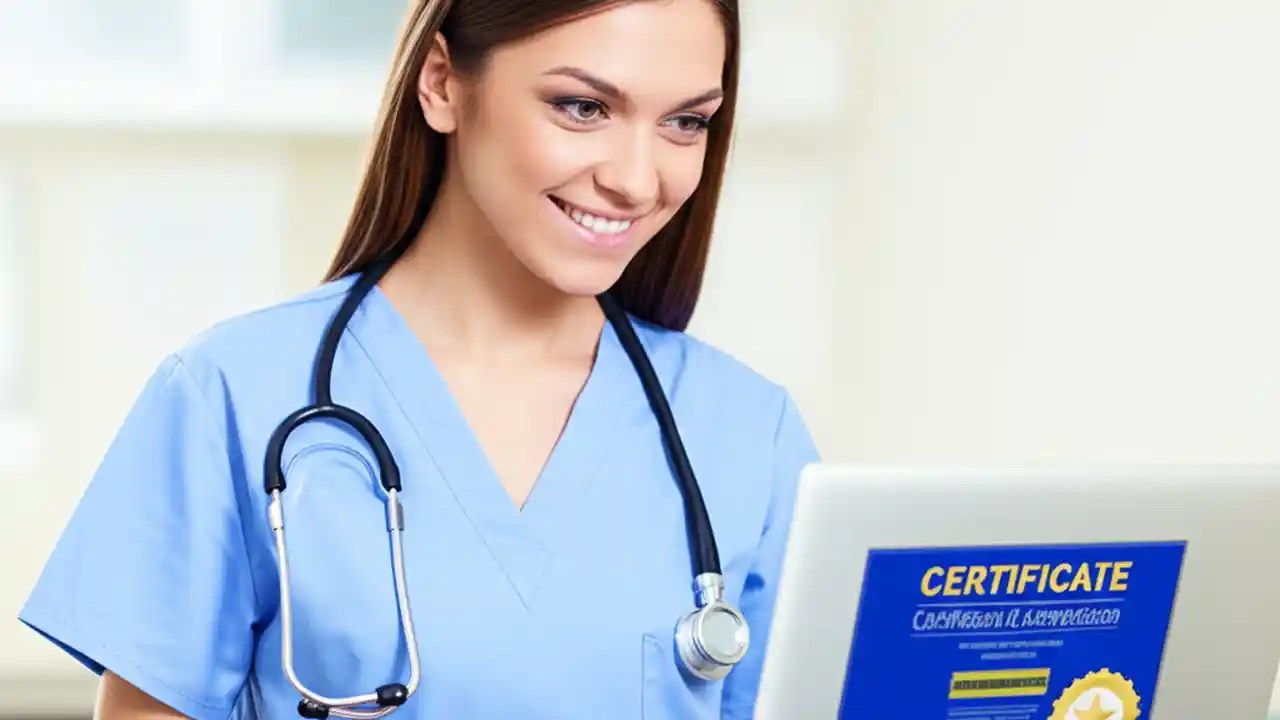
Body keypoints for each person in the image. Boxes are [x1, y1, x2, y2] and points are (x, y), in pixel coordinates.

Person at [18, 0, 819, 717]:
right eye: (582, 107)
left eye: (686, 122)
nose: (638, 179)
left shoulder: (748, 433)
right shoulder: (232, 395)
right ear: (441, 83)